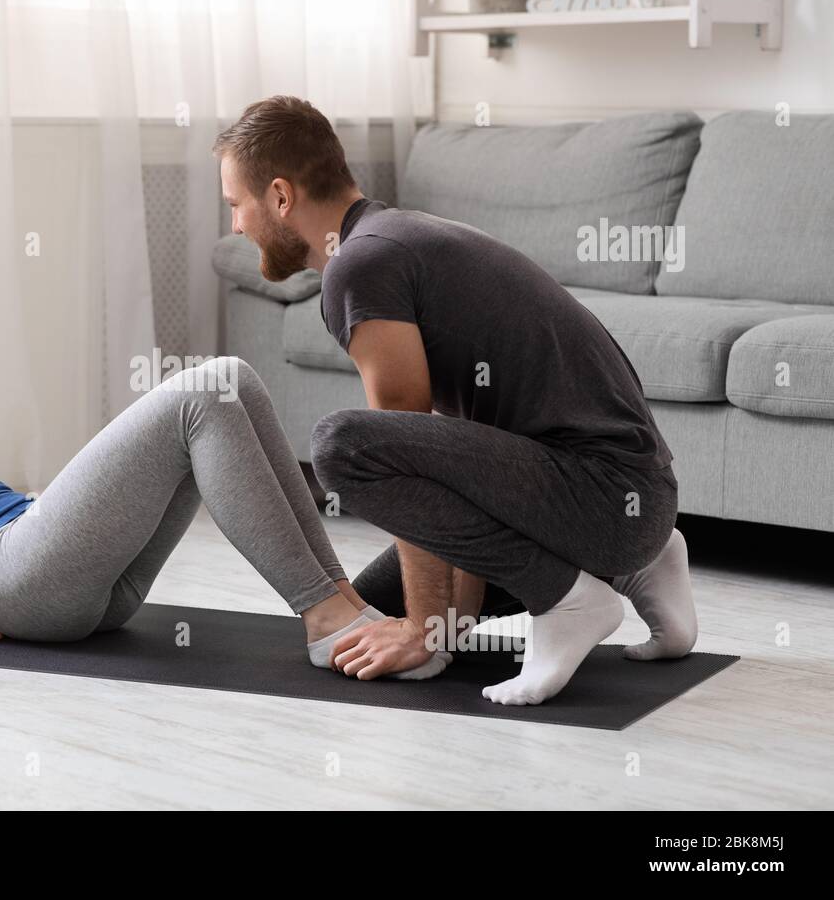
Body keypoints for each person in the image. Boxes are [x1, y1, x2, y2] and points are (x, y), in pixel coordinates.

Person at [0, 236, 450, 678]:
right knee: (209, 390)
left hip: (74, 584)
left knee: (233, 385)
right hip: (14, 581)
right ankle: (327, 618)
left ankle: (343, 603)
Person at [212, 95, 698, 705]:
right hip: (634, 501)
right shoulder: (396, 236)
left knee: (345, 446)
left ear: (281, 197)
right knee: (375, 608)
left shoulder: (359, 266)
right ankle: (642, 565)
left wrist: (423, 631)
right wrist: (442, 630)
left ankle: (569, 598)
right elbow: (449, 465)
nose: (235, 225)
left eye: (236, 204)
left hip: (598, 497)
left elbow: (399, 439)